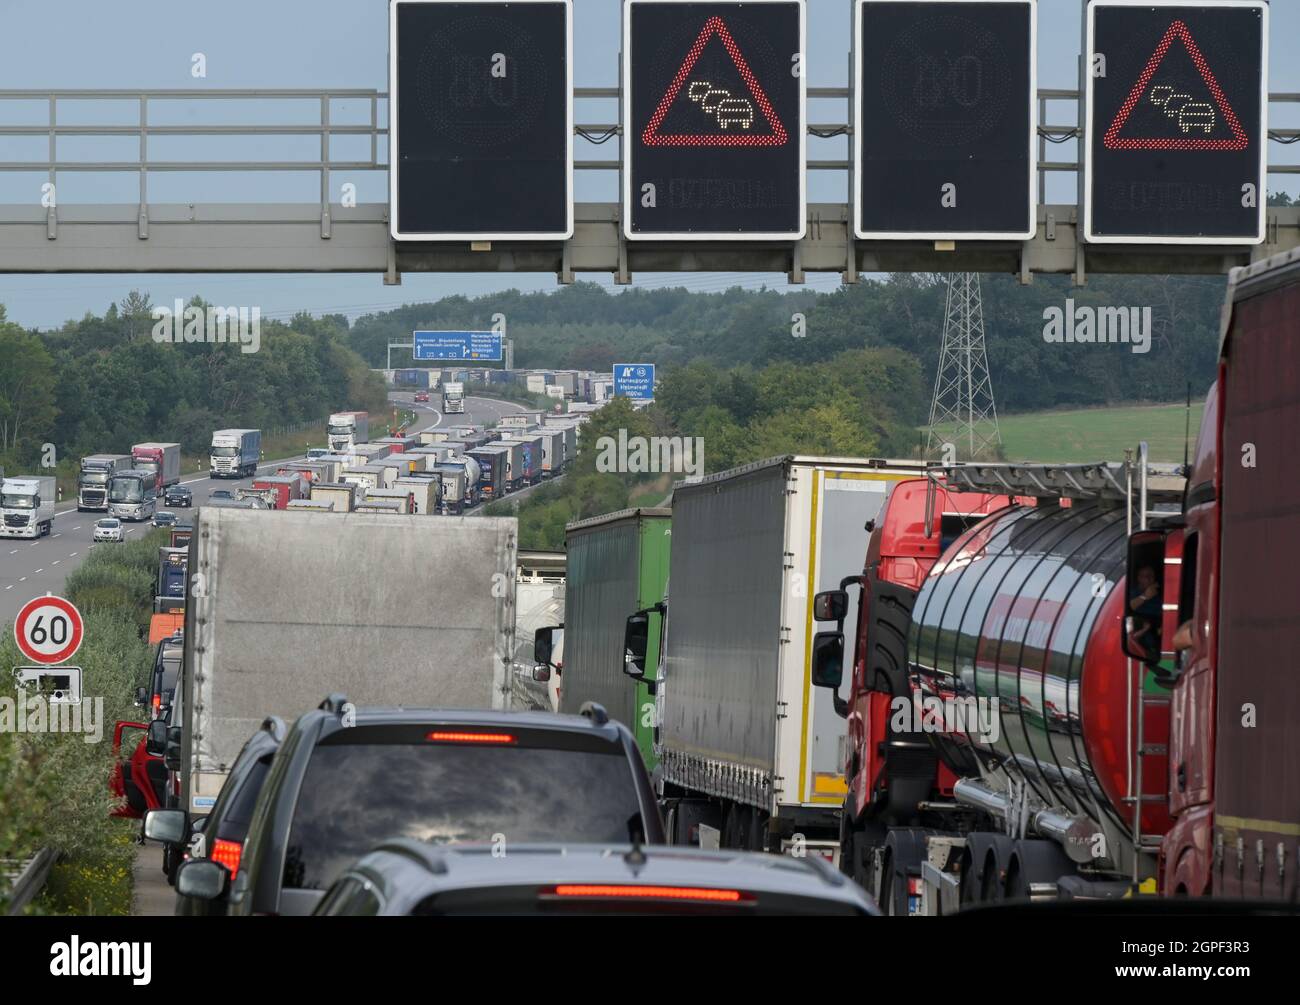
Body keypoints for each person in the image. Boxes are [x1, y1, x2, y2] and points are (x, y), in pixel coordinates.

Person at [1128, 564, 1162, 660]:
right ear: (1138, 578)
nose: (1147, 579)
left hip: (1156, 636)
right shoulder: (1132, 592)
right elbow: (1129, 607)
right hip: (1139, 638)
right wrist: (1145, 596)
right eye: (1143, 576)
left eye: (1150, 576)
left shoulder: (1160, 595)